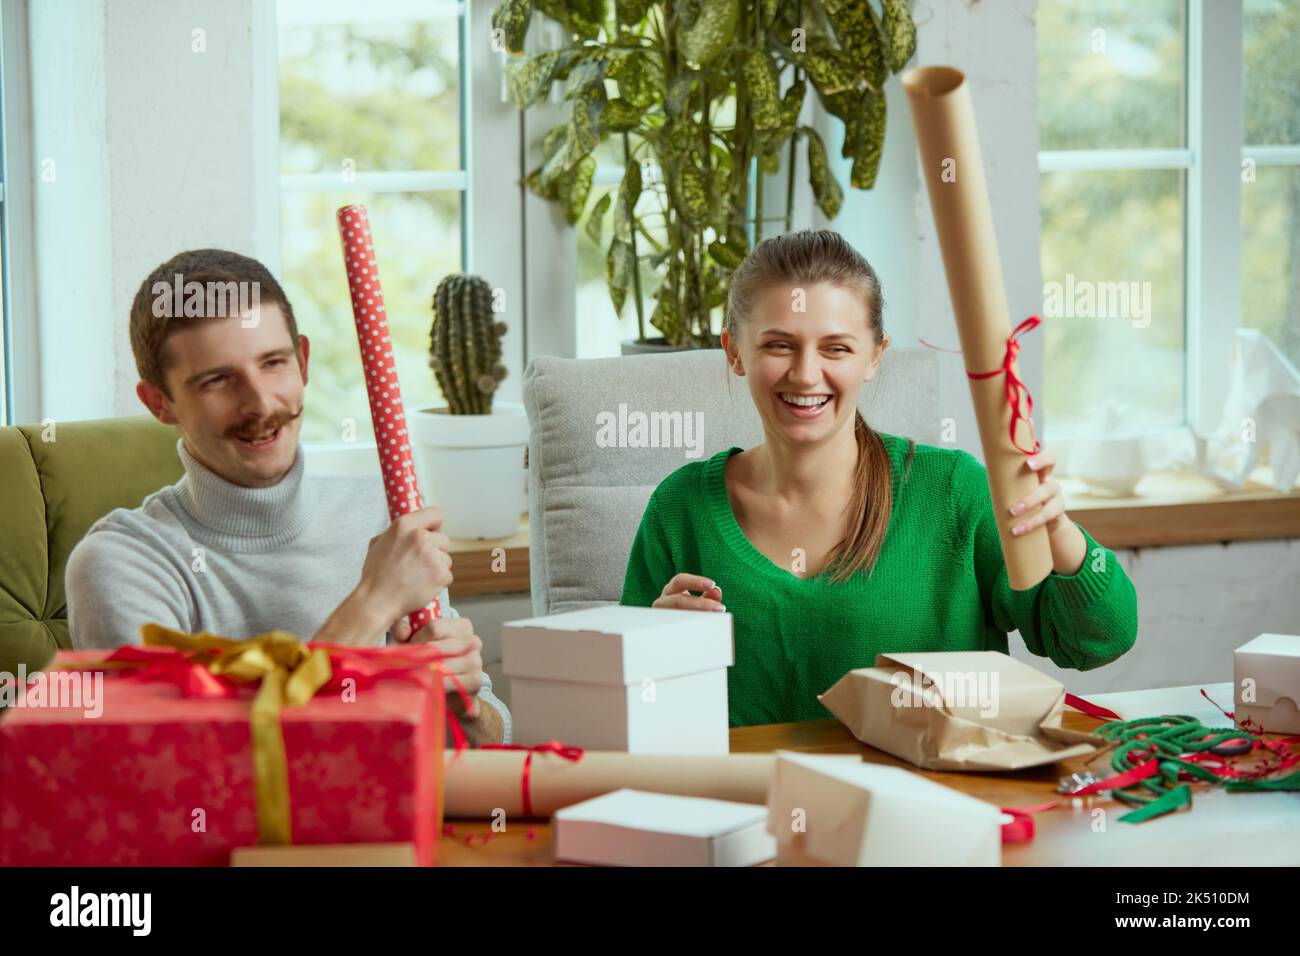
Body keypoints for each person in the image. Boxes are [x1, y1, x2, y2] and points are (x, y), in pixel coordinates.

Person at [620, 230, 1138, 727]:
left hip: (932, 806)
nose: (805, 374)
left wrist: (1060, 529)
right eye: (779, 345)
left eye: (836, 348)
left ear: (875, 356)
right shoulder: (681, 508)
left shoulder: (953, 491)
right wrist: (657, 653)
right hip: (747, 810)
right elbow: (632, 714)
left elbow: (1099, 640)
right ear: (735, 351)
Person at [66, 249, 509, 745]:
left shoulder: (386, 514)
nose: (260, 404)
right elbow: (189, 776)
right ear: (159, 403)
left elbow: (493, 743)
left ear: (302, 361)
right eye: (217, 380)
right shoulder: (123, 562)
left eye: (273, 363)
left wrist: (463, 708)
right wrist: (373, 602)